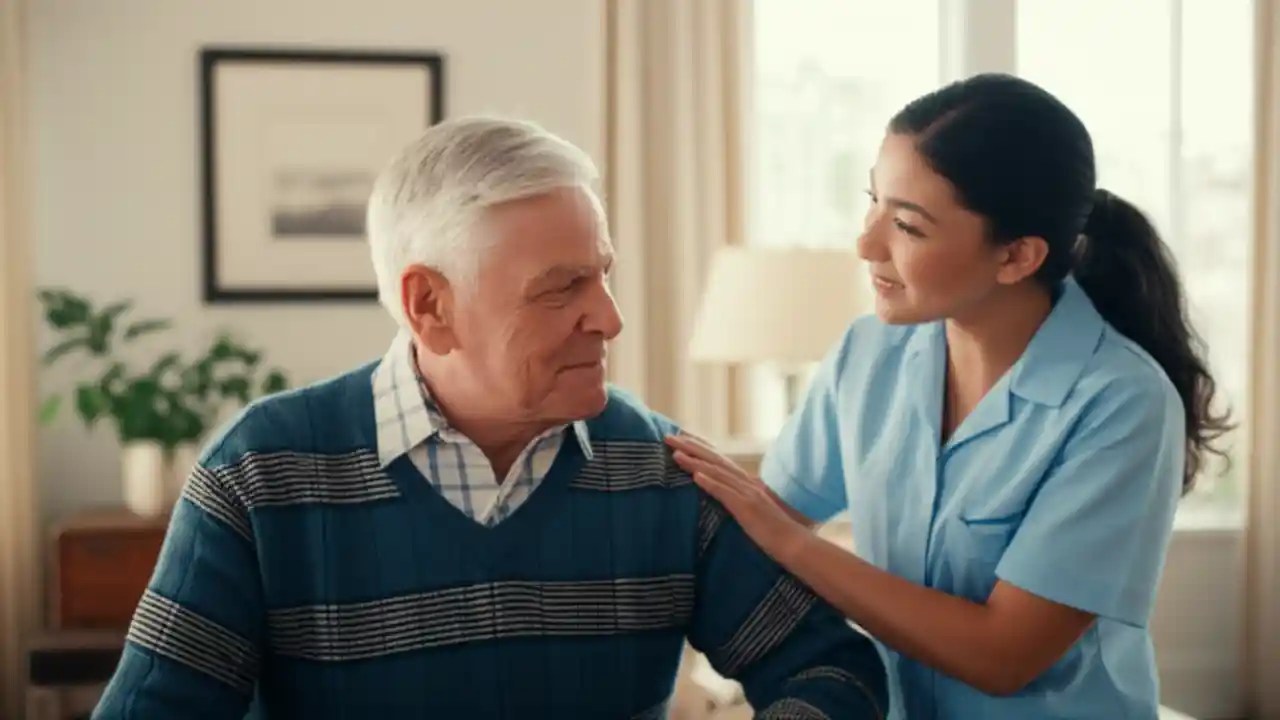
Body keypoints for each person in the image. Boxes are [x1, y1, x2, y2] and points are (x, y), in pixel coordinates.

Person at [92, 116, 888, 718]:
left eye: (603, 277)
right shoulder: (261, 472)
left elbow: (832, 673)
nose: (609, 319)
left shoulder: (658, 469)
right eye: (560, 289)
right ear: (429, 306)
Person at [667, 73, 1232, 719]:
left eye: (907, 225)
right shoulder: (867, 353)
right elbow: (764, 522)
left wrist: (793, 545)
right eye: (873, 202)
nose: (865, 243)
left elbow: (1002, 655)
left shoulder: (1121, 404)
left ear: (1017, 256)